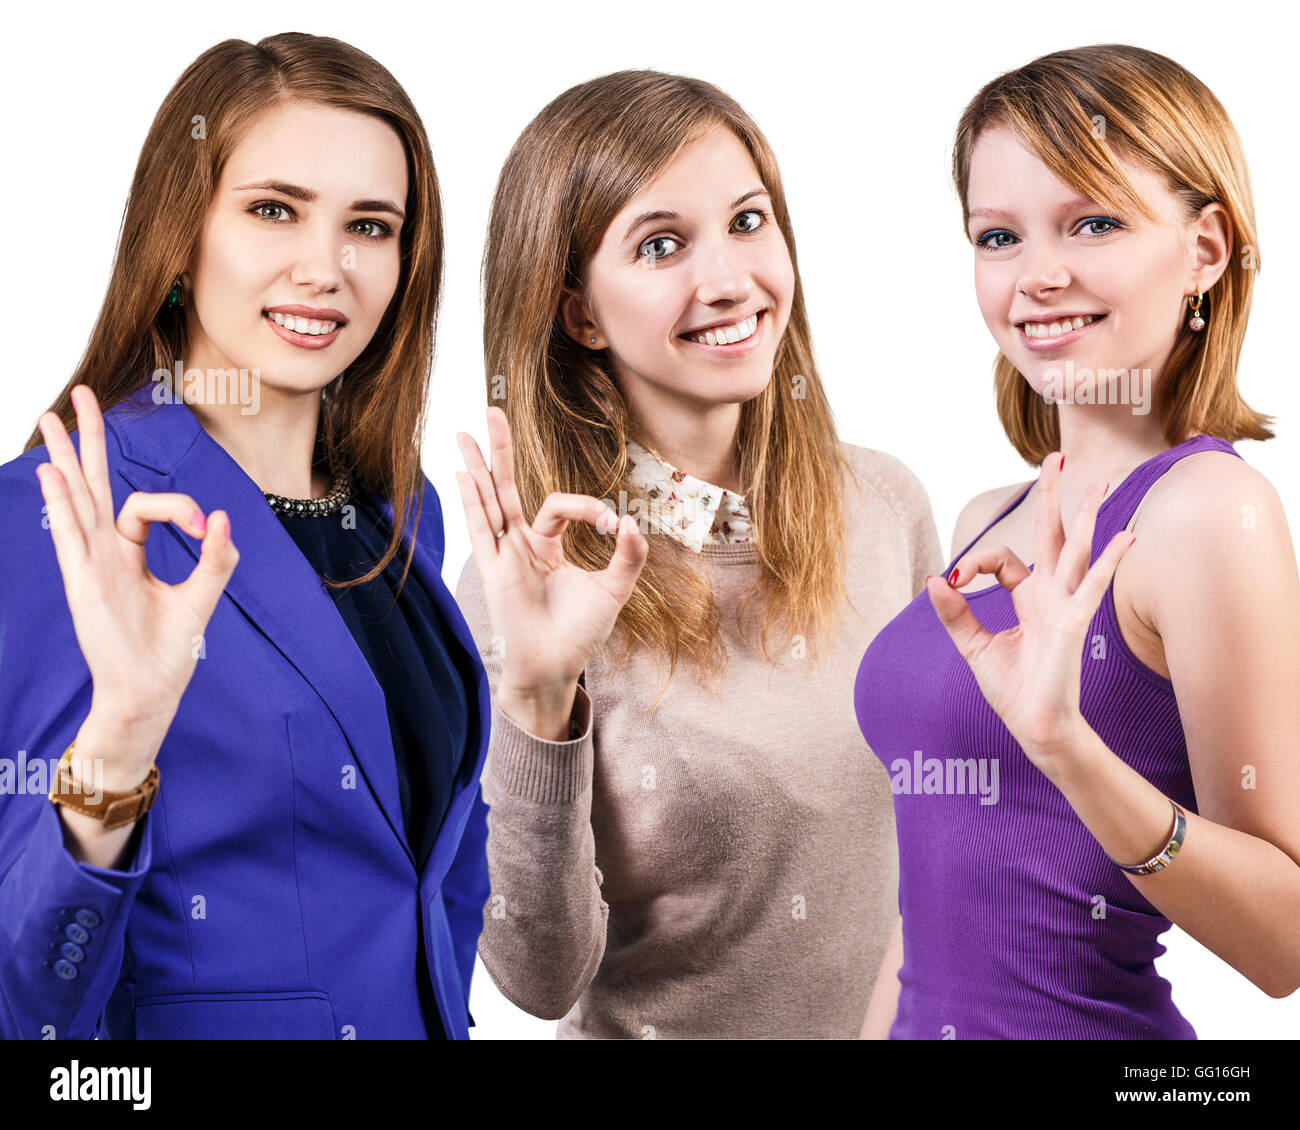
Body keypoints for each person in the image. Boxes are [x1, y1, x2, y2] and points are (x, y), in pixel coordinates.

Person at [0, 32, 490, 1040]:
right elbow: (26, 1003)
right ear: (180, 237)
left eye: (370, 225)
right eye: (274, 210)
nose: (326, 267)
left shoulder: (402, 513)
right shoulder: (59, 512)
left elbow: (430, 888)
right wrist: (119, 742)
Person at [452, 69, 942, 1039]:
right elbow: (537, 979)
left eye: (749, 221)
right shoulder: (538, 583)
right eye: (662, 243)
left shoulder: (886, 505)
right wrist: (540, 698)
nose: (728, 279)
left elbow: (940, 852)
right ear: (579, 313)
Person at [855, 44, 1300, 1039]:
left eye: (1092, 221)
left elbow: (1285, 940)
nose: (1037, 275)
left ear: (1207, 248)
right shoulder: (989, 521)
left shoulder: (1206, 514)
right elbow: (928, 907)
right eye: (998, 235)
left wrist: (1067, 747)